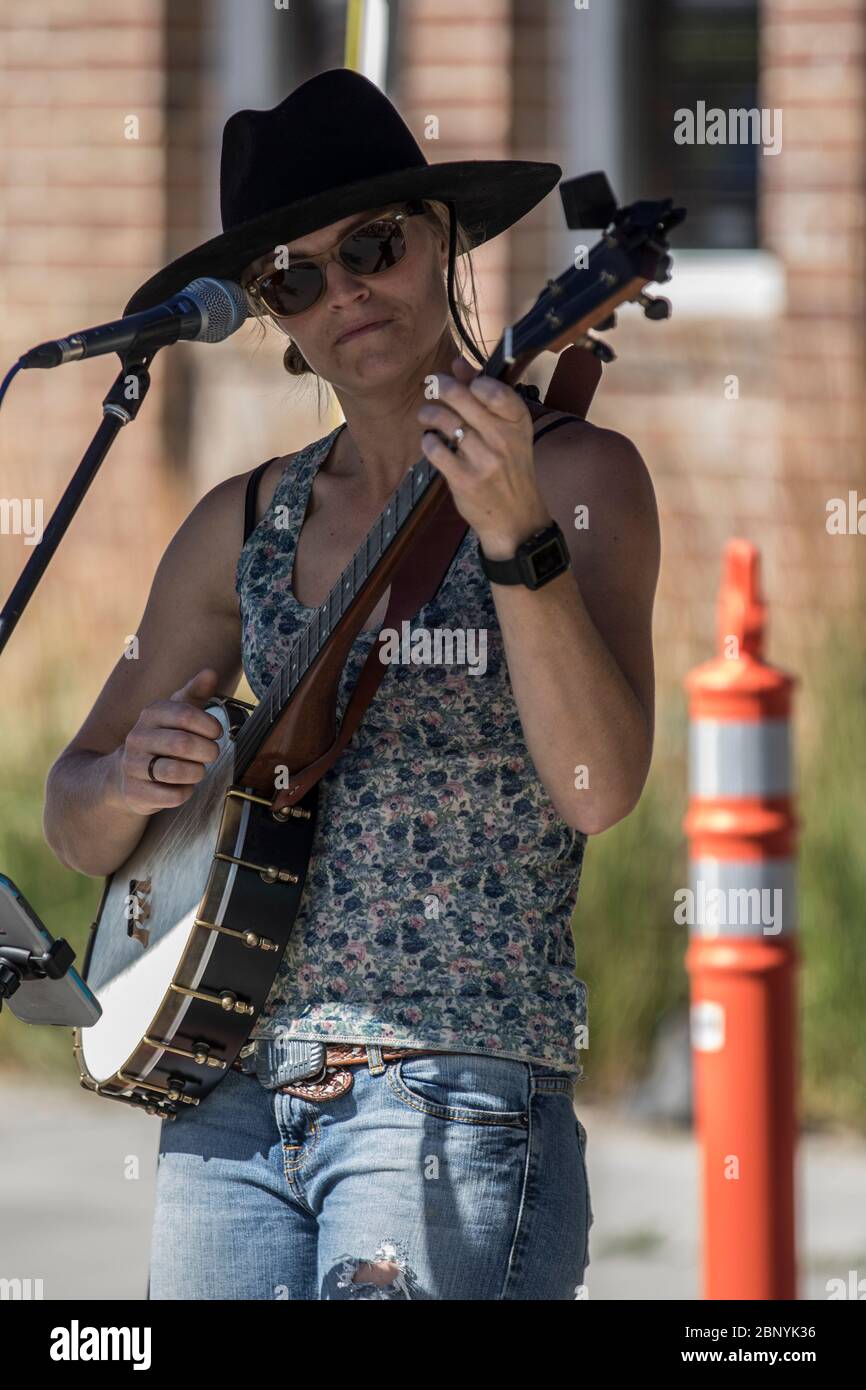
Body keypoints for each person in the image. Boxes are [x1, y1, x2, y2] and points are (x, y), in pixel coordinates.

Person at [43, 69, 659, 1300]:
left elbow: (598, 789)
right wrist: (131, 775)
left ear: (443, 239)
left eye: (371, 245)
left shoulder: (577, 472)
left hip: (450, 1095)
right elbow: (73, 812)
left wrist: (514, 539)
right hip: (224, 1106)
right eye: (295, 276)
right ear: (274, 314)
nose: (344, 292)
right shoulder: (244, 522)